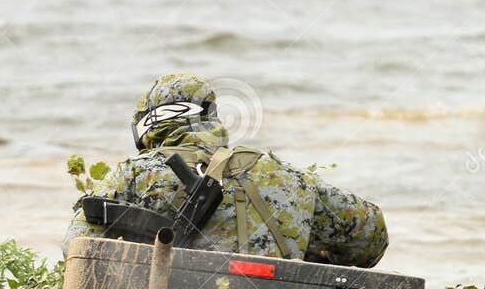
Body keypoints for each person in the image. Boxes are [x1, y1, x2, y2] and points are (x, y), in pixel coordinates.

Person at [62, 73, 388, 265]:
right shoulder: (288, 178)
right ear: (211, 119)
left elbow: (78, 254)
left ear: (146, 127)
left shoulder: (135, 175)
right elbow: (370, 238)